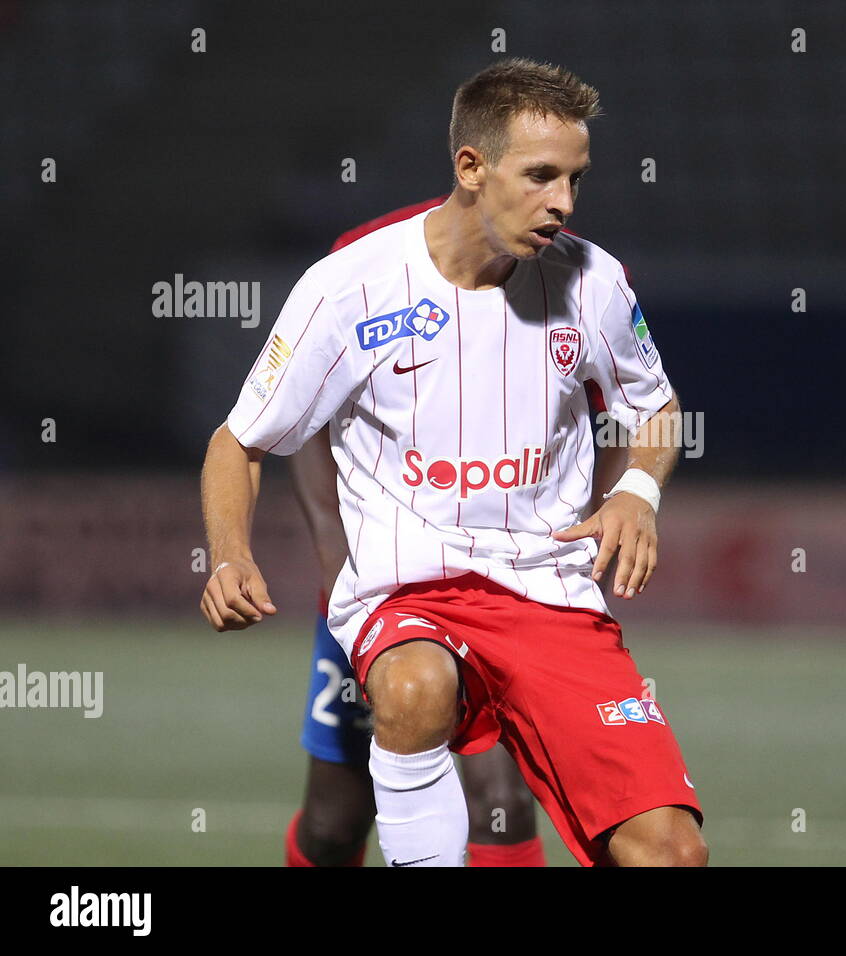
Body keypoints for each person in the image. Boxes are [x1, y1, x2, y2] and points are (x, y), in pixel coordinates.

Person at [200, 57, 706, 866]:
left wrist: (639, 491)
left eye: (576, 178)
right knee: (387, 737)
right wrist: (231, 555)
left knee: (670, 852)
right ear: (471, 167)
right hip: (405, 593)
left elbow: (657, 406)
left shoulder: (596, 281)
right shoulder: (351, 286)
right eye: (541, 176)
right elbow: (241, 438)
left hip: (549, 596)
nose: (564, 202)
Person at [285, 196, 631, 867]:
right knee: (335, 820)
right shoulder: (364, 261)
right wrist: (333, 543)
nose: (556, 197)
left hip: (507, 590)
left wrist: (594, 520)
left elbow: (624, 412)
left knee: (500, 800)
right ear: (475, 169)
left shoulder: (570, 272)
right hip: (382, 586)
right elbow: (300, 414)